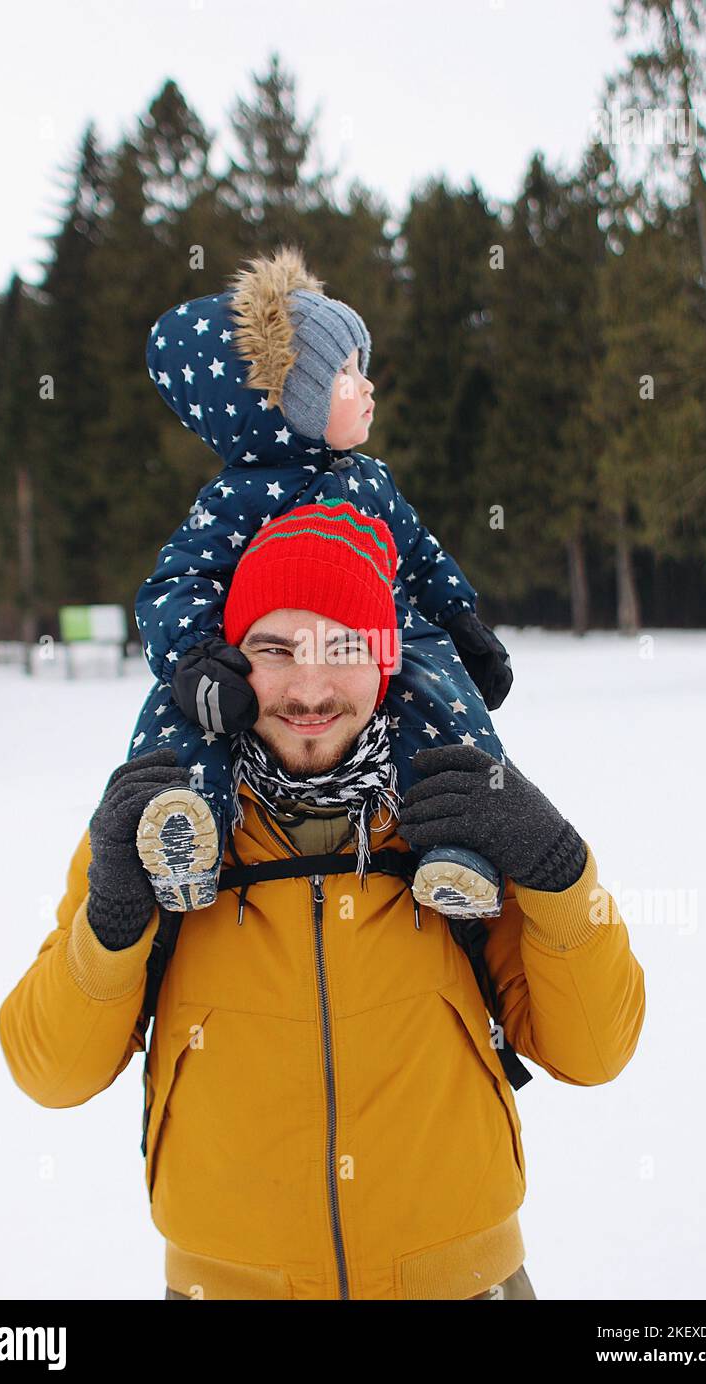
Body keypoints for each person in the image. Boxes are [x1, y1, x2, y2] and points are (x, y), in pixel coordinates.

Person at [0, 504, 646, 1301]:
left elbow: (595, 1052)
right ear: (235, 664)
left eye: (343, 648)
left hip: (463, 1285)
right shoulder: (162, 828)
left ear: (386, 661)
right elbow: (49, 1071)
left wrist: (559, 872)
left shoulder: (460, 819)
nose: (310, 689)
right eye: (275, 650)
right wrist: (113, 920)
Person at [129, 244, 514, 922]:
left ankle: (460, 844)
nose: (366, 387)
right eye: (345, 374)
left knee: (446, 699)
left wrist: (459, 621)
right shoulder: (240, 495)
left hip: (384, 634)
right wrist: (193, 655)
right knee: (185, 712)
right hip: (261, 649)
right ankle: (185, 826)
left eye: (362, 370)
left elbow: (418, 554)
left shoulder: (371, 479)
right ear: (290, 403)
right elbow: (178, 579)